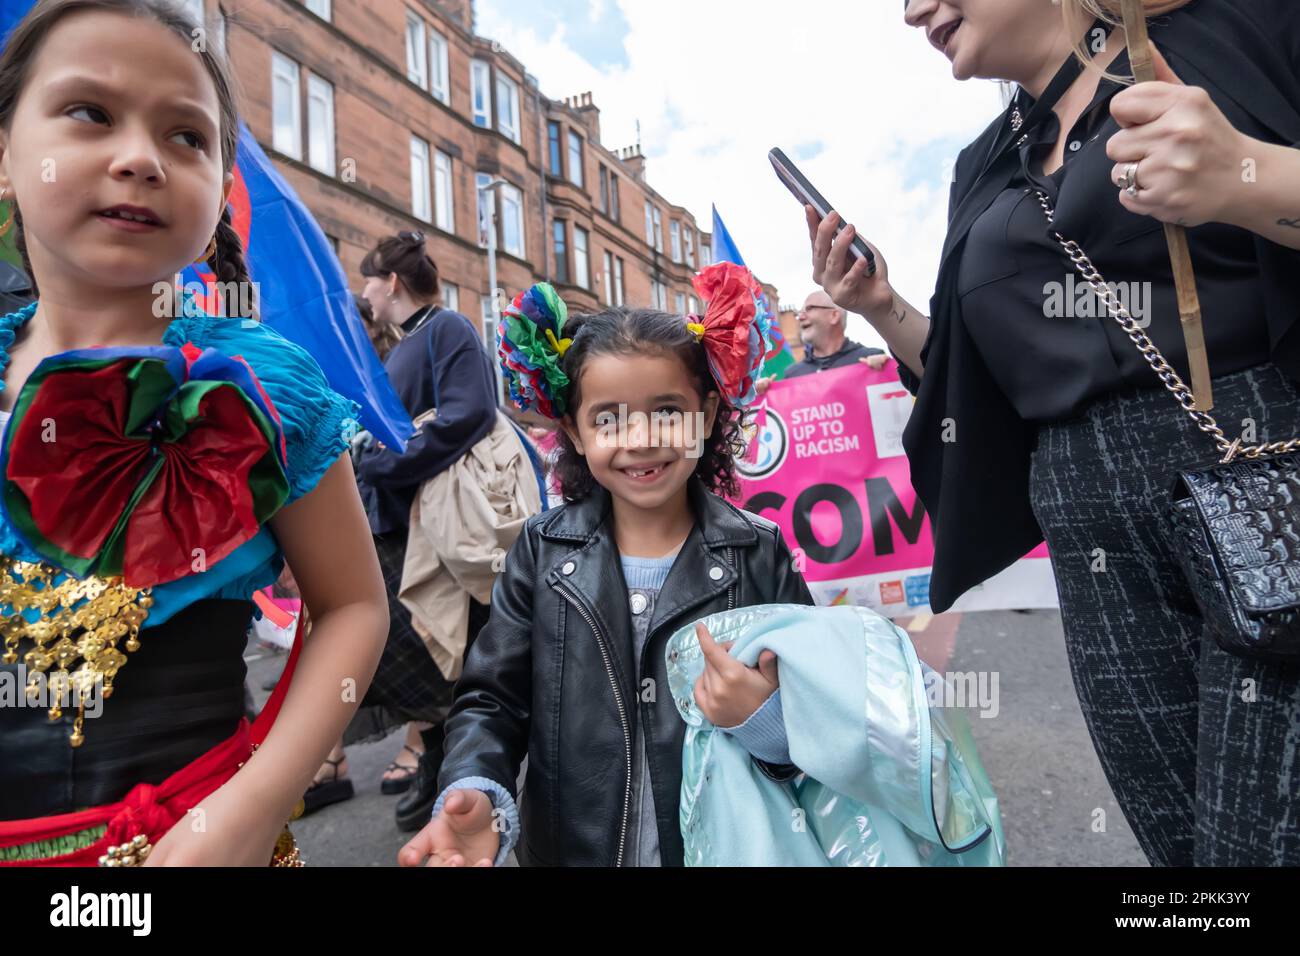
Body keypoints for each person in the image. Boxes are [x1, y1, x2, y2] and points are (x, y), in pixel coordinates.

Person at [810, 0, 1300, 865]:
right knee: (1186, 861)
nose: (913, 10)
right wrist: (880, 308)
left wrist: (1251, 175)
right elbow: (974, 384)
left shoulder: (1240, 28)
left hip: (1254, 470)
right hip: (1093, 533)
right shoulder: (986, 161)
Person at [0, 0, 387, 865]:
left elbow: (353, 605)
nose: (140, 158)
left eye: (187, 137)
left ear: (219, 196)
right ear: (4, 155)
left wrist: (246, 809)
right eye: (90, 114)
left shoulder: (267, 382)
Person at [398, 263, 816, 867]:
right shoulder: (540, 551)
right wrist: (476, 788)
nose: (640, 438)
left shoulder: (760, 552)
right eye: (609, 417)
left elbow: (819, 721)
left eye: (667, 411)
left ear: (705, 413)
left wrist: (764, 719)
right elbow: (492, 700)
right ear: (573, 428)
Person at [332, 231, 498, 831]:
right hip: (394, 521)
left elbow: (469, 413)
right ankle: (438, 765)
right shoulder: (402, 345)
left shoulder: (447, 329)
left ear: (392, 283)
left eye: (368, 281)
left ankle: (456, 779)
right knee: (412, 656)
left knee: (437, 652)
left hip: (430, 528)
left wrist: (375, 460)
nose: (365, 294)